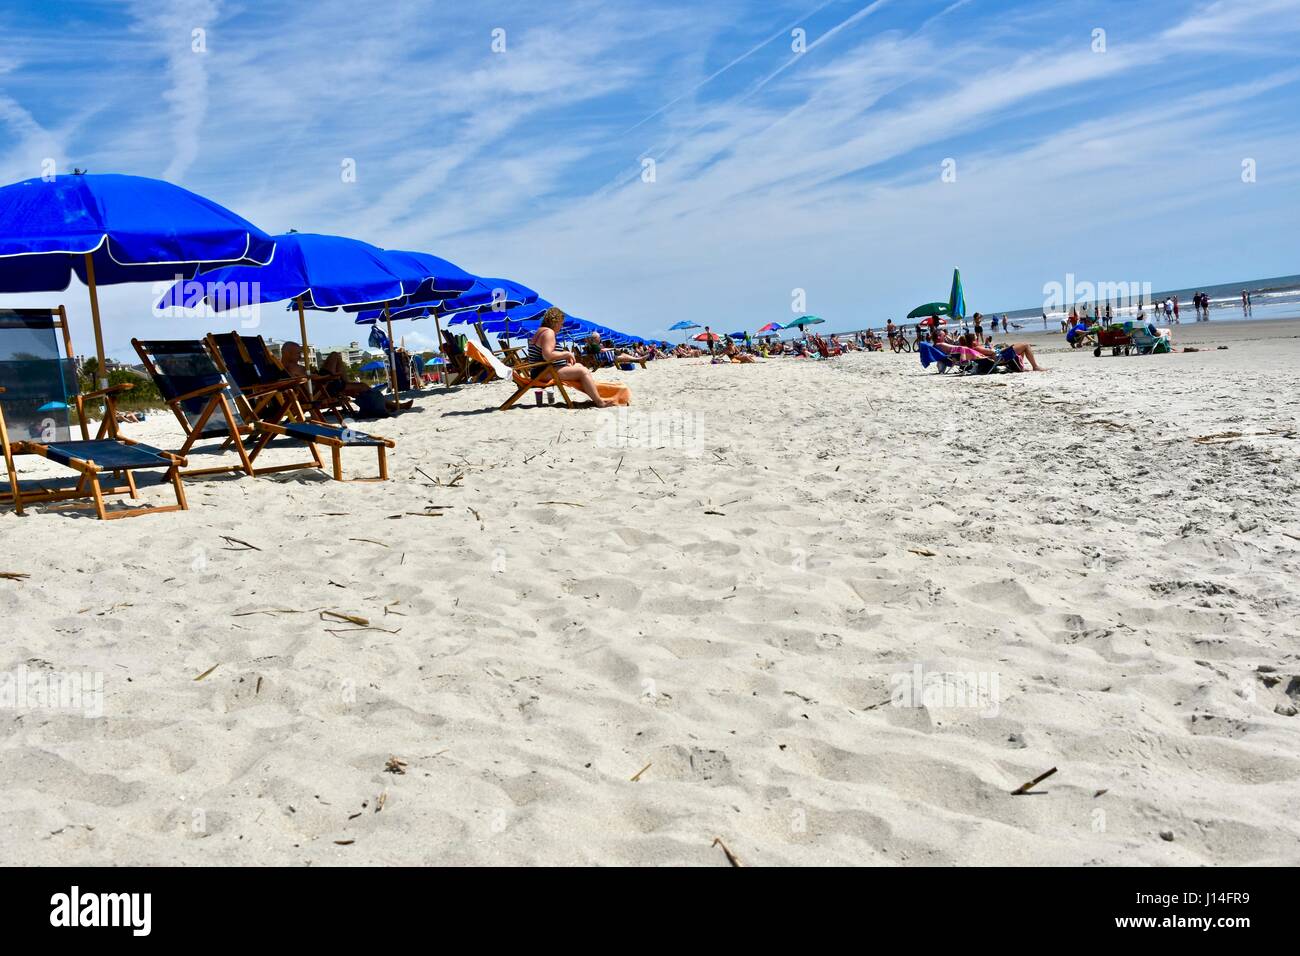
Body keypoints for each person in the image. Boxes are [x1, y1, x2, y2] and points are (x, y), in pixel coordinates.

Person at [527, 308, 617, 407]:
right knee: (583, 372)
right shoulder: (549, 333)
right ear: (555, 321)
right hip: (543, 373)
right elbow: (547, 356)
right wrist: (567, 354)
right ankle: (600, 402)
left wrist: (564, 361)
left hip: (541, 371)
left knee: (578, 365)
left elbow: (544, 356)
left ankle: (595, 394)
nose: (561, 327)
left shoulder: (540, 331)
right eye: (561, 324)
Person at [959, 332, 1046, 371]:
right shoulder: (977, 348)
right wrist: (1003, 348)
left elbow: (989, 353)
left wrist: (989, 346)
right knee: (1026, 345)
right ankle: (1035, 366)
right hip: (1001, 358)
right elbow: (993, 352)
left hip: (998, 357)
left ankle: (1020, 367)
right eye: (976, 338)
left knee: (1020, 347)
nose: (977, 340)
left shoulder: (974, 348)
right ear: (973, 341)